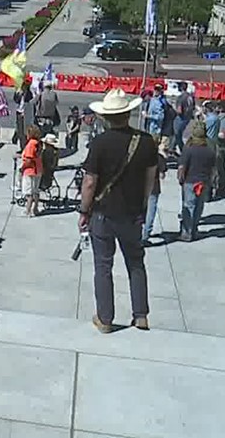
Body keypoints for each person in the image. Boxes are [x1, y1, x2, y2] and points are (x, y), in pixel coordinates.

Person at [79, 88, 158, 333]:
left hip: (103, 213)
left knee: (103, 266)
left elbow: (90, 182)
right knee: (136, 263)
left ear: (106, 116)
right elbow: (150, 179)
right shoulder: (145, 142)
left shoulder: (100, 143)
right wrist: (142, 205)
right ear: (129, 113)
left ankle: (105, 318)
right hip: (132, 214)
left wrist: (83, 211)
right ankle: (141, 315)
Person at [178, 121, 214, 242]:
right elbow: (213, 169)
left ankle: (186, 233)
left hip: (190, 181)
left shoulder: (189, 149)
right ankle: (194, 230)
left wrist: (180, 179)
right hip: (203, 181)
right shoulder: (210, 150)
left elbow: (182, 167)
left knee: (188, 207)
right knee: (199, 207)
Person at [21, 125, 44, 217]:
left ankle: (28, 210)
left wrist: (22, 168)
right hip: (38, 169)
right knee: (35, 191)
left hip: (30, 170)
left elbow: (29, 159)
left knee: (29, 192)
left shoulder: (31, 144)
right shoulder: (38, 143)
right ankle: (35, 209)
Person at [172, 81, 194, 156]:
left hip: (181, 118)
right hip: (187, 118)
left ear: (181, 87)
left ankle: (183, 151)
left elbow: (179, 111)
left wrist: (173, 108)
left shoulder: (180, 98)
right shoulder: (190, 96)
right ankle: (172, 148)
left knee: (177, 134)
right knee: (178, 134)